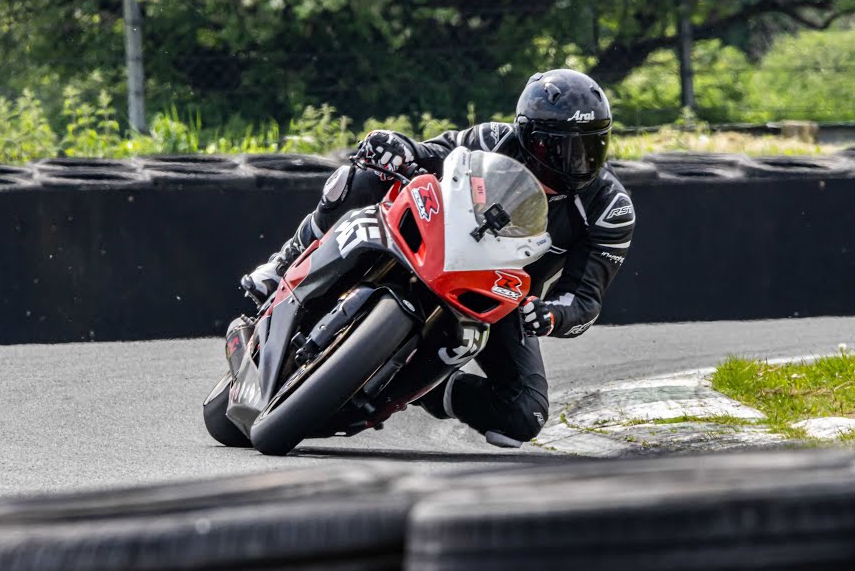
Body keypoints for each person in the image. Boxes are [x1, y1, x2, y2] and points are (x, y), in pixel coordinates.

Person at [238, 68, 636, 448]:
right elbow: (429, 153)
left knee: (525, 413)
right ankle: (283, 263)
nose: (576, 162)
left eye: (590, 148)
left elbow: (583, 300)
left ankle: (422, 387)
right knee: (364, 175)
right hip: (437, 238)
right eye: (561, 147)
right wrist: (397, 147)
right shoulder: (492, 138)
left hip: (499, 293)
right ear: (528, 136)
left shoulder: (610, 208)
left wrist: (548, 316)